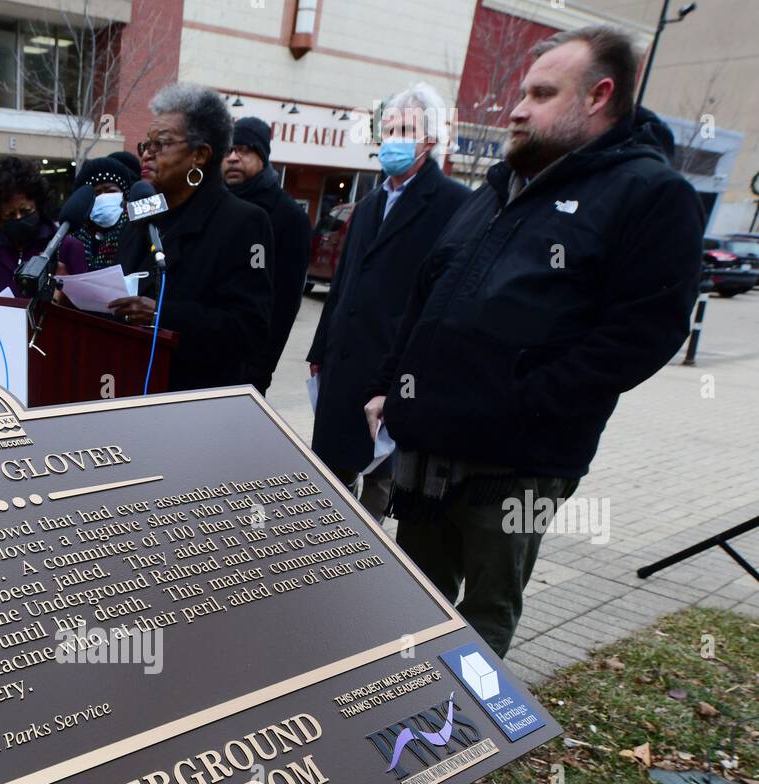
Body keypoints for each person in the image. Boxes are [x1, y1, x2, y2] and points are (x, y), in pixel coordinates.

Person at [364, 26, 704, 656]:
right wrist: (389, 385)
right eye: (522, 92)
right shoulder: (497, 189)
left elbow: (643, 333)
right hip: (428, 445)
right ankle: (404, 716)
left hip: (519, 466)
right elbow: (427, 296)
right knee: (414, 600)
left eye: (542, 93)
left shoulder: (650, 195)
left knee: (482, 620)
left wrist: (527, 401)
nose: (518, 108)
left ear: (599, 96)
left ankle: (462, 741)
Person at [306, 84, 468, 518]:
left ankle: (370, 553)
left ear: (430, 140)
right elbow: (342, 281)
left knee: (380, 475)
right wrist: (320, 348)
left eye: (405, 129)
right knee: (330, 470)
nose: (393, 139)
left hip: (394, 366)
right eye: (388, 128)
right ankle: (328, 540)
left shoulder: (454, 204)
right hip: (343, 361)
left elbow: (445, 295)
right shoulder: (370, 202)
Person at [110, 83, 273, 391]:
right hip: (125, 384)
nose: (147, 155)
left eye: (161, 144)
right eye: (146, 145)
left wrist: (161, 314)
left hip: (193, 403)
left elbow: (249, 329)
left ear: (199, 155)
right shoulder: (142, 214)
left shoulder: (244, 222)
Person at [223, 116, 312, 395]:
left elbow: (286, 301)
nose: (234, 158)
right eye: (228, 150)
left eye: (244, 150)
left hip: (247, 364)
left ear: (263, 157)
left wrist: (262, 367)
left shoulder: (288, 216)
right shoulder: (214, 205)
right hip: (202, 351)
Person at [0, 155, 87, 297]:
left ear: (39, 206)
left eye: (26, 211)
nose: (18, 218)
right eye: (10, 214)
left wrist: (67, 290)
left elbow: (86, 312)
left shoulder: (69, 248)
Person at [71, 151, 142, 271]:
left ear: (124, 197)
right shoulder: (74, 238)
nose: (103, 197)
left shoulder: (137, 231)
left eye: (110, 191)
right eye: (96, 193)